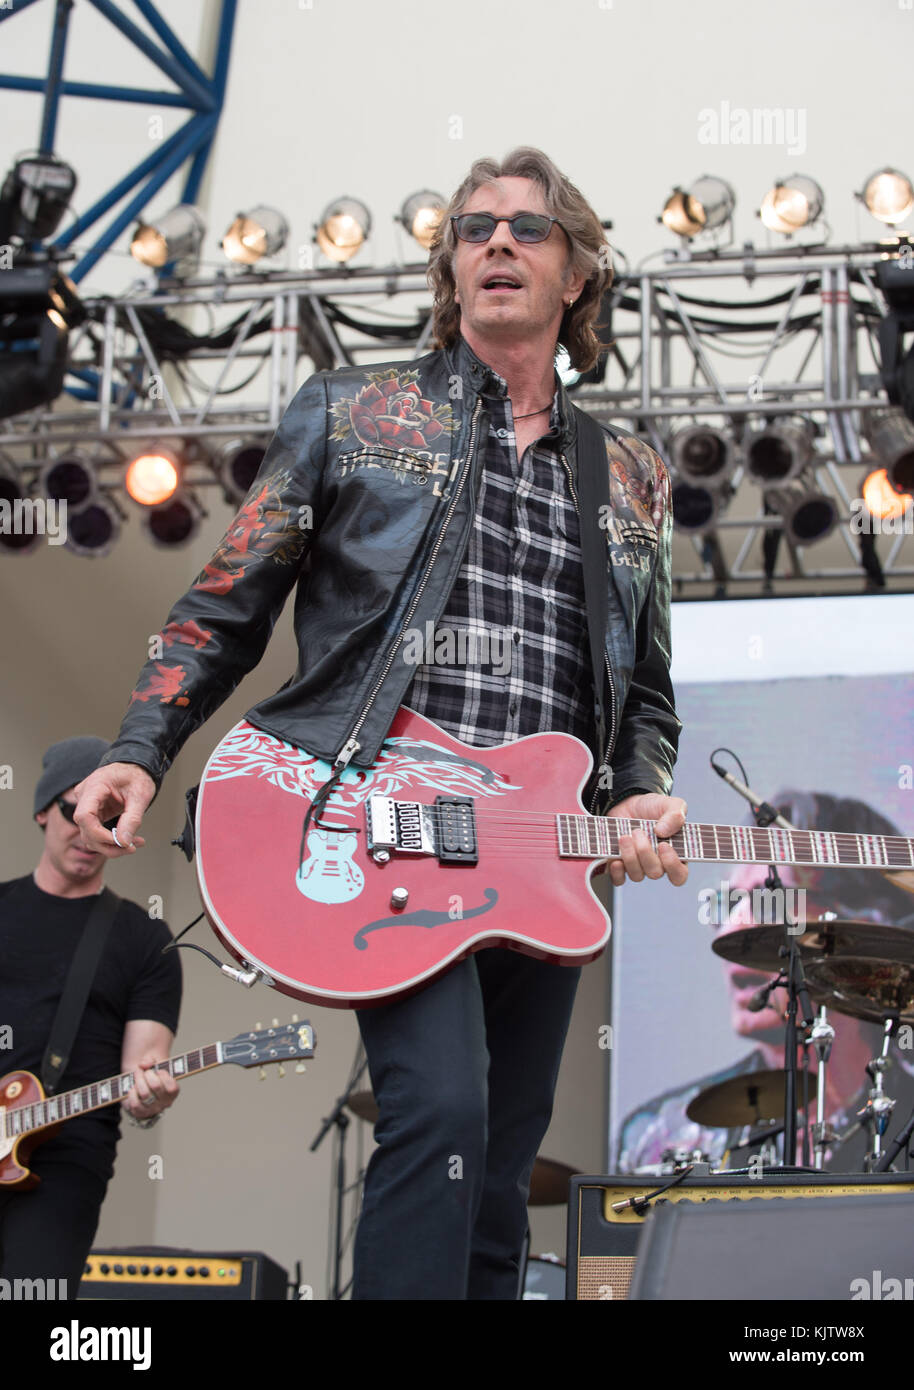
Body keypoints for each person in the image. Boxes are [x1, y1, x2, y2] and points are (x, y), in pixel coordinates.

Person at [73, 146, 688, 1300]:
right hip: (377, 820)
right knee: (441, 1104)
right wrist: (137, 750)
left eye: (528, 228)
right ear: (448, 270)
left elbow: (642, 695)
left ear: (579, 276)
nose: (495, 244)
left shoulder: (632, 475)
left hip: (535, 853)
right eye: (471, 230)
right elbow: (225, 602)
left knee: (502, 1160)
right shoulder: (352, 413)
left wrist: (640, 789)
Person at [616, 790, 914, 1175]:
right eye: (727, 903)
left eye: (767, 900)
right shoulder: (660, 1135)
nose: (731, 930)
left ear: (866, 926)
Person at [0, 736, 182, 1298]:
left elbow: (142, 1069)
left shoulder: (147, 940)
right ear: (41, 810)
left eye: (103, 817)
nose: (86, 831)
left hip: (66, 1163)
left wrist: (149, 1099)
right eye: (71, 811)